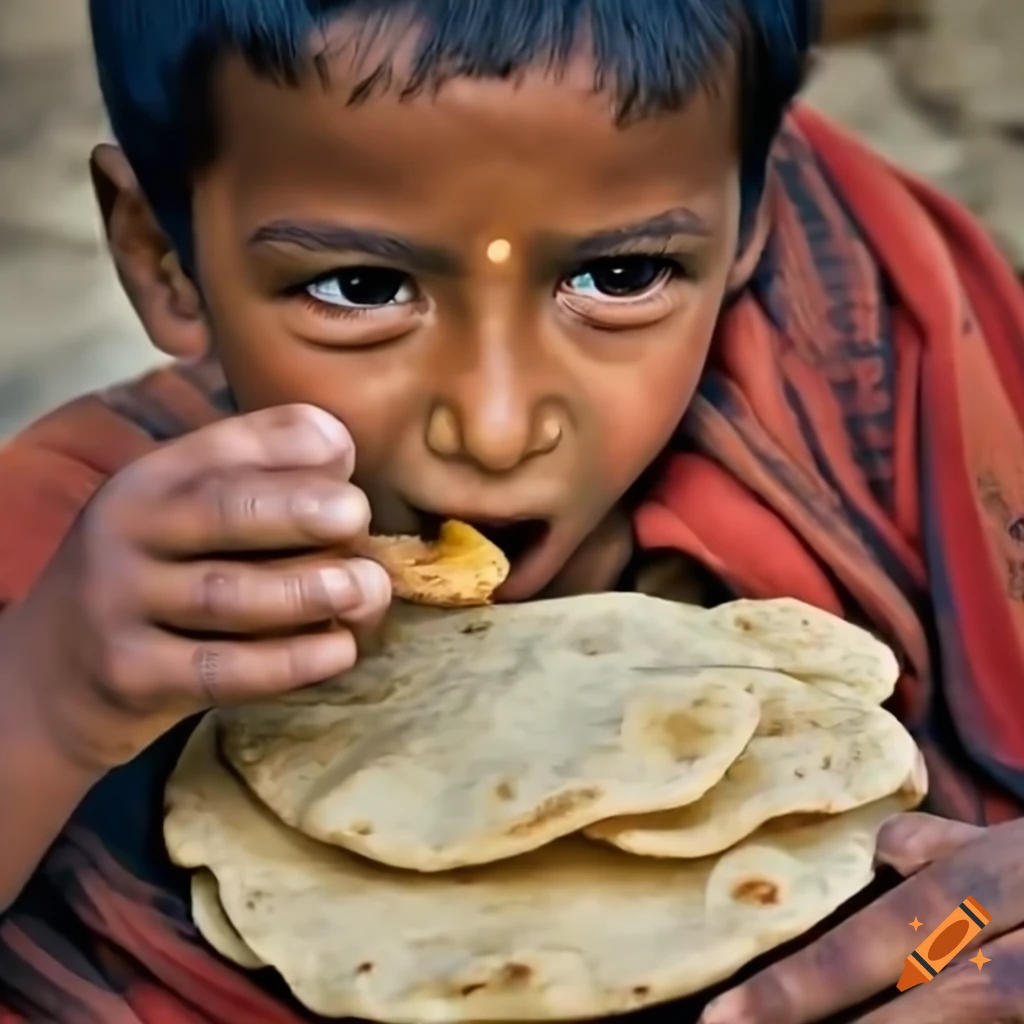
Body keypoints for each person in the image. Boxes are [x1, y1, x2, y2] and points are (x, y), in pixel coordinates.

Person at [1, 0, 1023, 1021]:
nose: (496, 428)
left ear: (751, 224)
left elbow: (963, 936)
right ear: (163, 256)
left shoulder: (879, 366)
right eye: (361, 287)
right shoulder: (76, 564)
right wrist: (44, 705)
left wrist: (951, 942)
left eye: (620, 276)